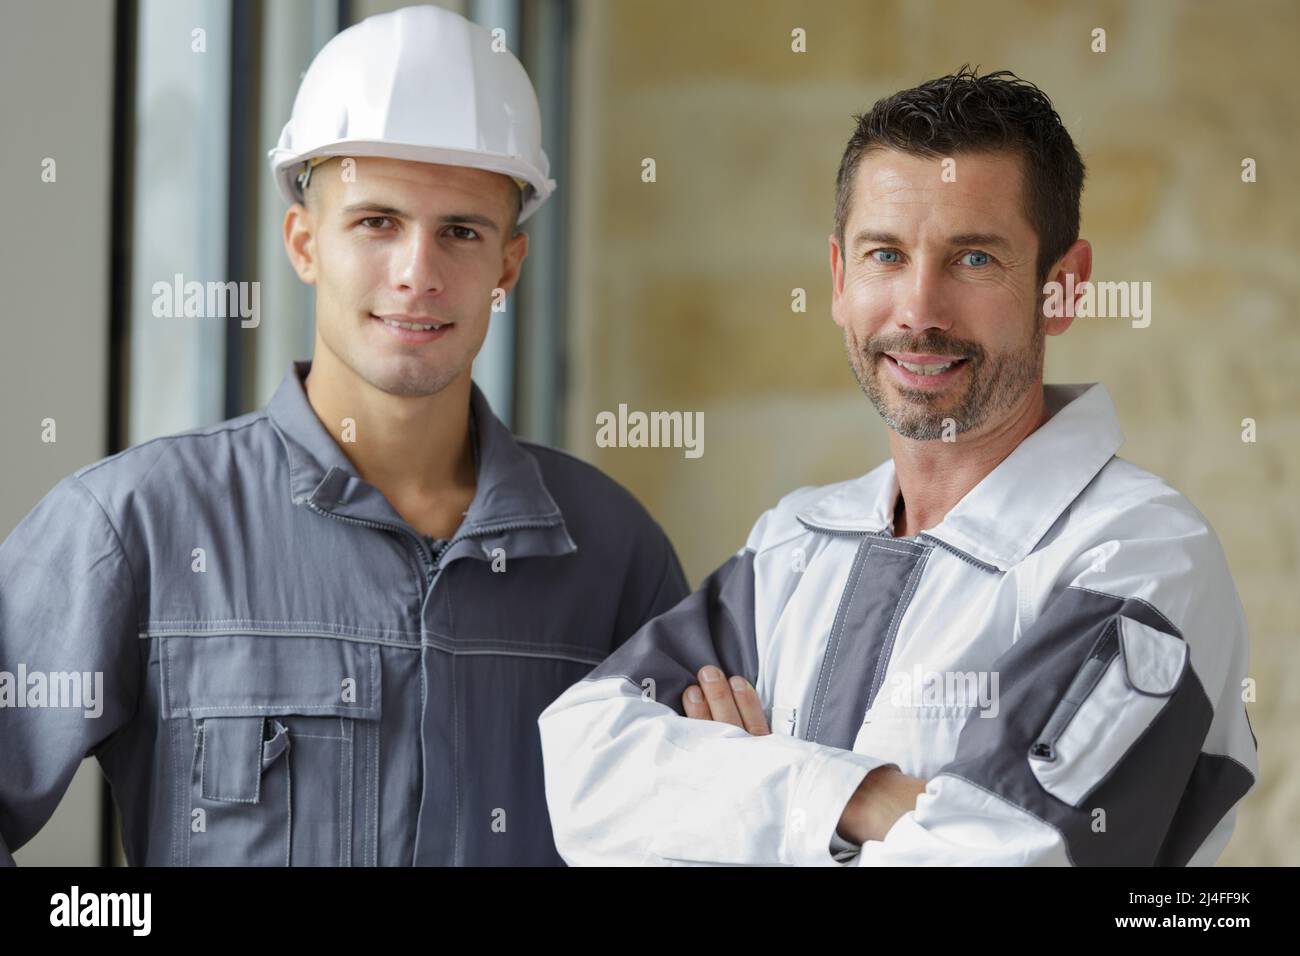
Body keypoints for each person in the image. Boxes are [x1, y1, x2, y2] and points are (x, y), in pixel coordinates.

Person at [0, 4, 687, 867]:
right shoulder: (133, 528)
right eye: (376, 222)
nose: (417, 273)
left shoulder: (614, 556)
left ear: (507, 266)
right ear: (303, 242)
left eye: (462, 233)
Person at [538, 66, 1259, 866]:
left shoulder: (1139, 559)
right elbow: (582, 772)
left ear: (1062, 287)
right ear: (841, 281)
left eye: (974, 259)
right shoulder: (792, 548)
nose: (919, 311)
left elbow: (1011, 859)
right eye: (886, 254)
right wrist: (866, 800)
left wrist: (734, 792)